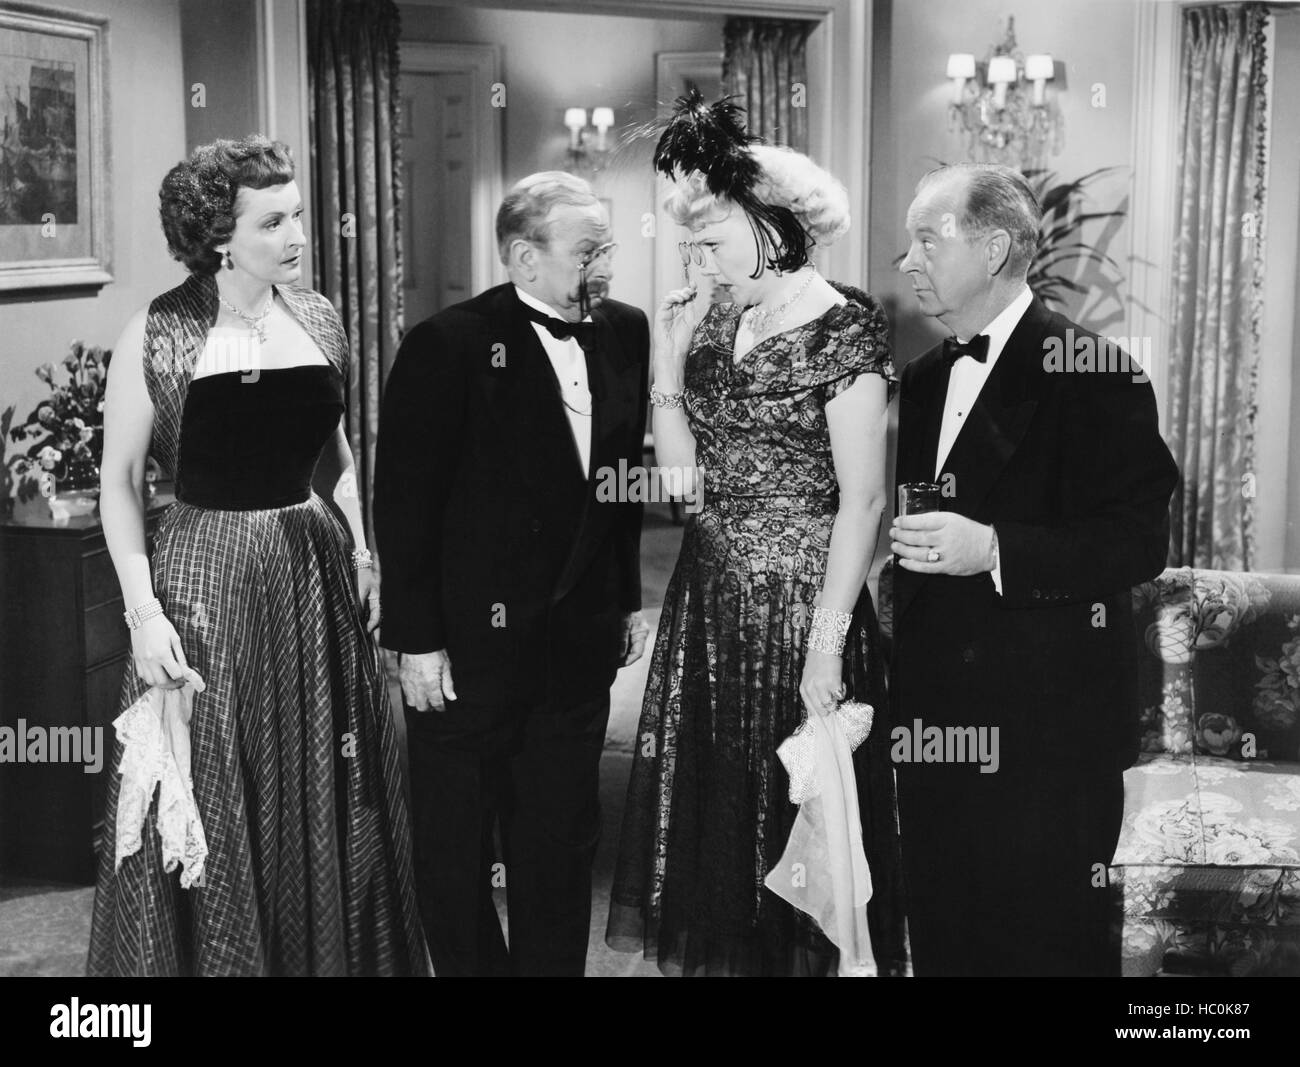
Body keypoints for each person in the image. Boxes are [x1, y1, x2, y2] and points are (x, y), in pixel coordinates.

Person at [87, 135, 429, 975]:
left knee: (330, 781)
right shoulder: (158, 332)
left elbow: (337, 452)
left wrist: (363, 549)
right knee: (224, 785)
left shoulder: (315, 316)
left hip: (311, 570)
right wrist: (142, 613)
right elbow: (121, 484)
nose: (297, 234)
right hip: (207, 584)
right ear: (217, 235)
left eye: (299, 215)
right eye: (273, 221)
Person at [607, 93, 909, 977]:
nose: (696, 261)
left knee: (802, 810)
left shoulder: (844, 324)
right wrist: (668, 363)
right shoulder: (712, 323)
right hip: (710, 600)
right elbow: (683, 490)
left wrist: (825, 647)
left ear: (775, 225)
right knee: (720, 807)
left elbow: (862, 502)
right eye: (689, 244)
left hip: (804, 602)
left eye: (711, 241)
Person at [889, 162, 1179, 976]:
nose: (905, 260)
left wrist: (994, 549)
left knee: (1044, 944)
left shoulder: (1098, 373)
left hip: (1050, 734)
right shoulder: (923, 379)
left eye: (925, 239)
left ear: (992, 250)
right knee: (945, 929)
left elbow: (1136, 540)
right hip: (940, 723)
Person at [373, 171, 651, 977]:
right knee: (455, 856)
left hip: (577, 644)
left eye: (608, 247)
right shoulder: (449, 343)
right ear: (525, 257)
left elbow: (621, 487)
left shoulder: (626, 331)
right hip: (467, 650)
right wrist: (417, 640)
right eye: (587, 250)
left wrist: (627, 597)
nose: (604, 265)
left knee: (560, 845)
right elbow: (405, 504)